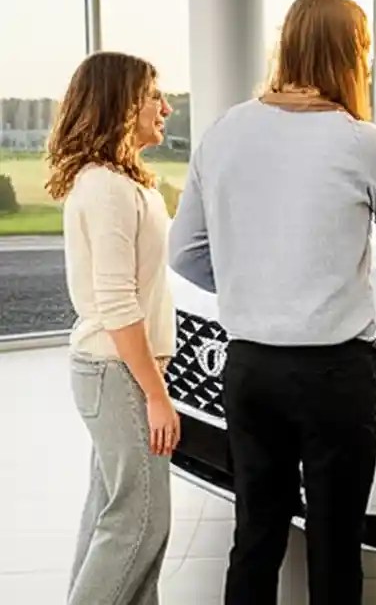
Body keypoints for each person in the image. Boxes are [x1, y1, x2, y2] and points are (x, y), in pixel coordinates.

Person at [168, 0, 376, 604]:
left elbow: (183, 252)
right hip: (333, 376)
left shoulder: (225, 131)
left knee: (256, 534)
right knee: (335, 541)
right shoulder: (359, 141)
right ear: (349, 55)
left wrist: (251, 281)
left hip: (250, 369)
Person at [47, 51, 181, 604]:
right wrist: (156, 395)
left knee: (113, 517)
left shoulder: (122, 183)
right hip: (119, 373)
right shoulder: (104, 187)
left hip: (116, 371)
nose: (166, 107)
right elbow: (117, 303)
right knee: (140, 525)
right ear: (123, 104)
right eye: (154, 96)